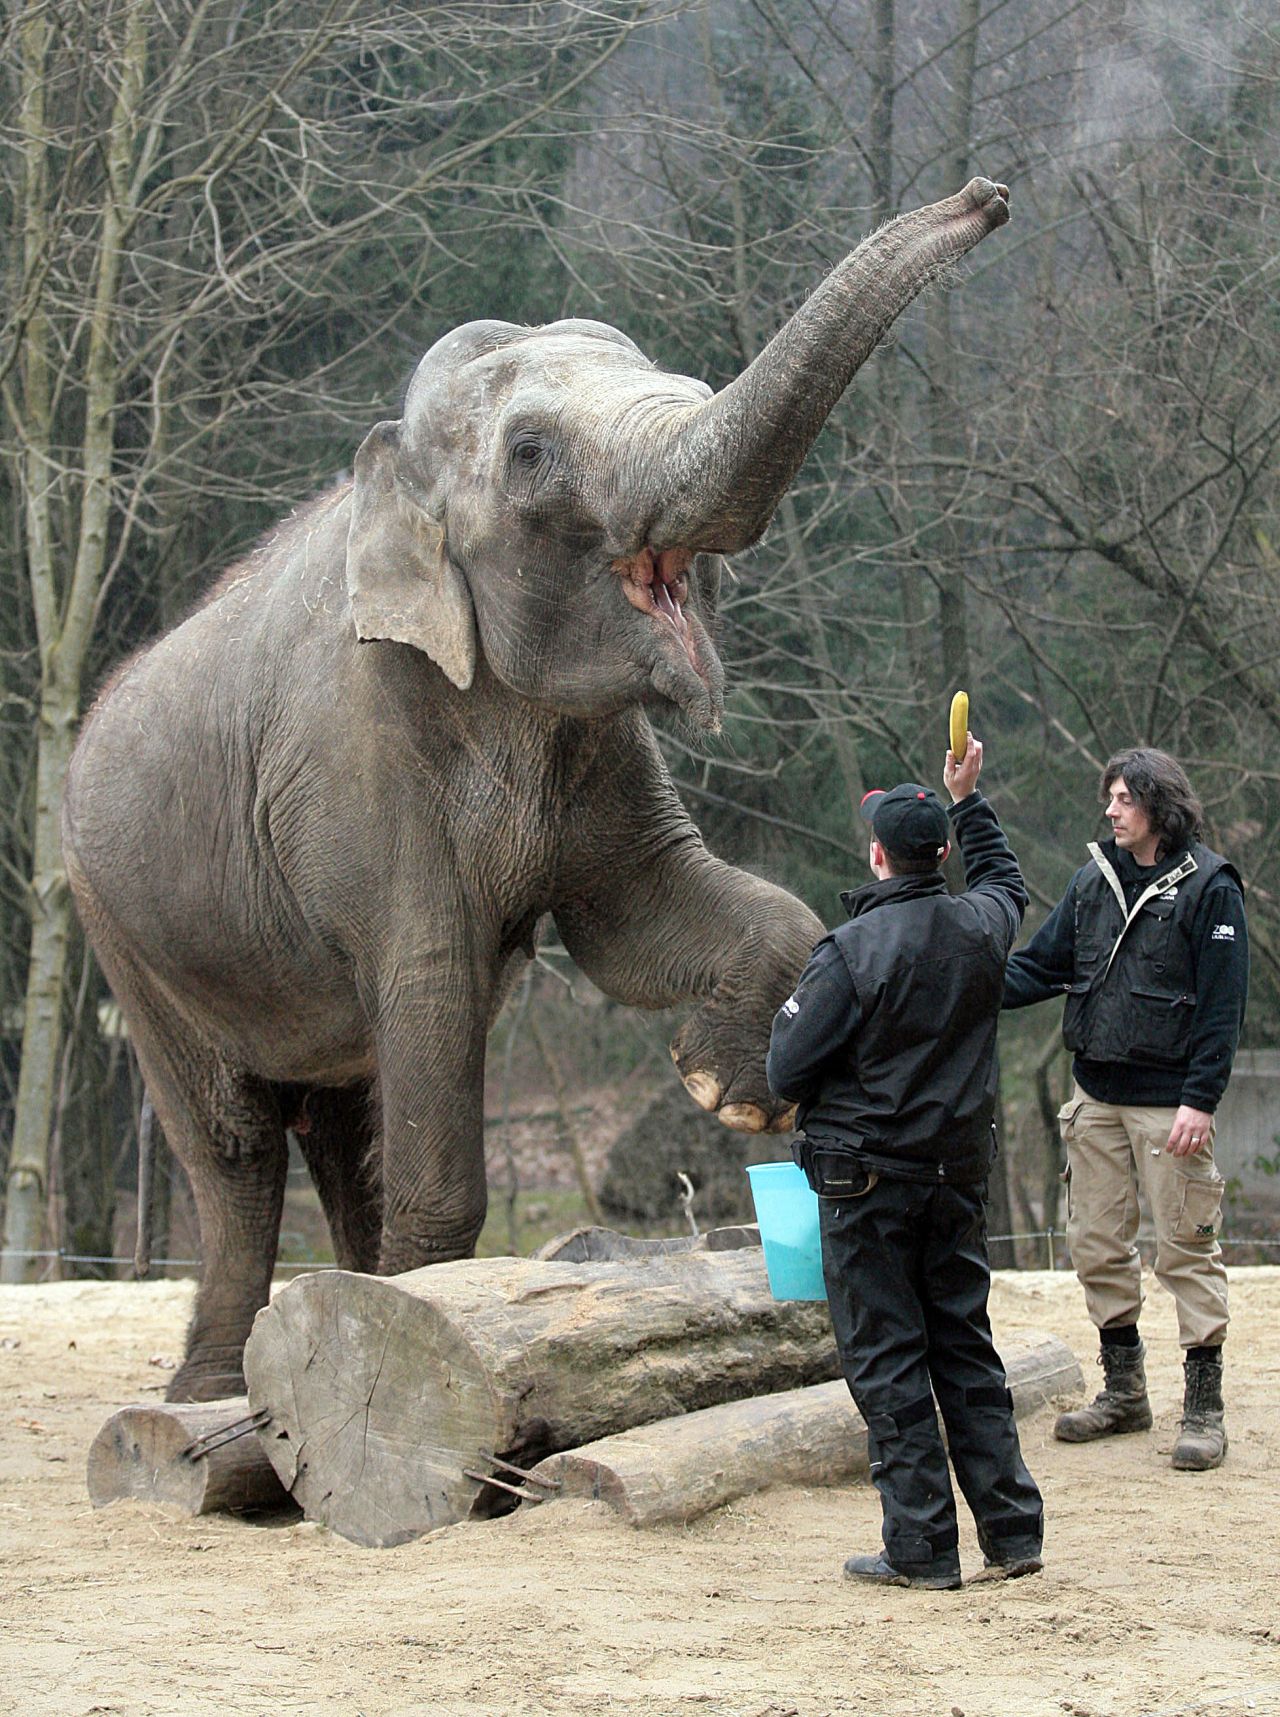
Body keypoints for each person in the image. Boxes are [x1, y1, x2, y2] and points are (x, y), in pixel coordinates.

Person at [766, 739, 1043, 1590]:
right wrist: (971, 797)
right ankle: (1012, 1532)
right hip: (956, 1178)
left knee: (886, 1356)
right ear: (943, 852)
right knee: (964, 1346)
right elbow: (1007, 881)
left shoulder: (849, 951)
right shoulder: (983, 926)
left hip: (867, 1186)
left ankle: (920, 1547)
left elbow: (785, 1067)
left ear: (878, 855)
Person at [1003, 748, 1247, 1472]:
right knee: (1097, 1246)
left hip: (1171, 1103)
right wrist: (964, 972)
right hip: (1096, 1099)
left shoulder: (1211, 886)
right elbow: (1039, 968)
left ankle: (1203, 1409)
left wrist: (1200, 1098)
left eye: (1122, 799)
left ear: (1158, 807)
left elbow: (1223, 1006)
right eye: (1108, 798)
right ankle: (1125, 1393)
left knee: (1186, 1249)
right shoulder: (1091, 881)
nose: (1110, 810)